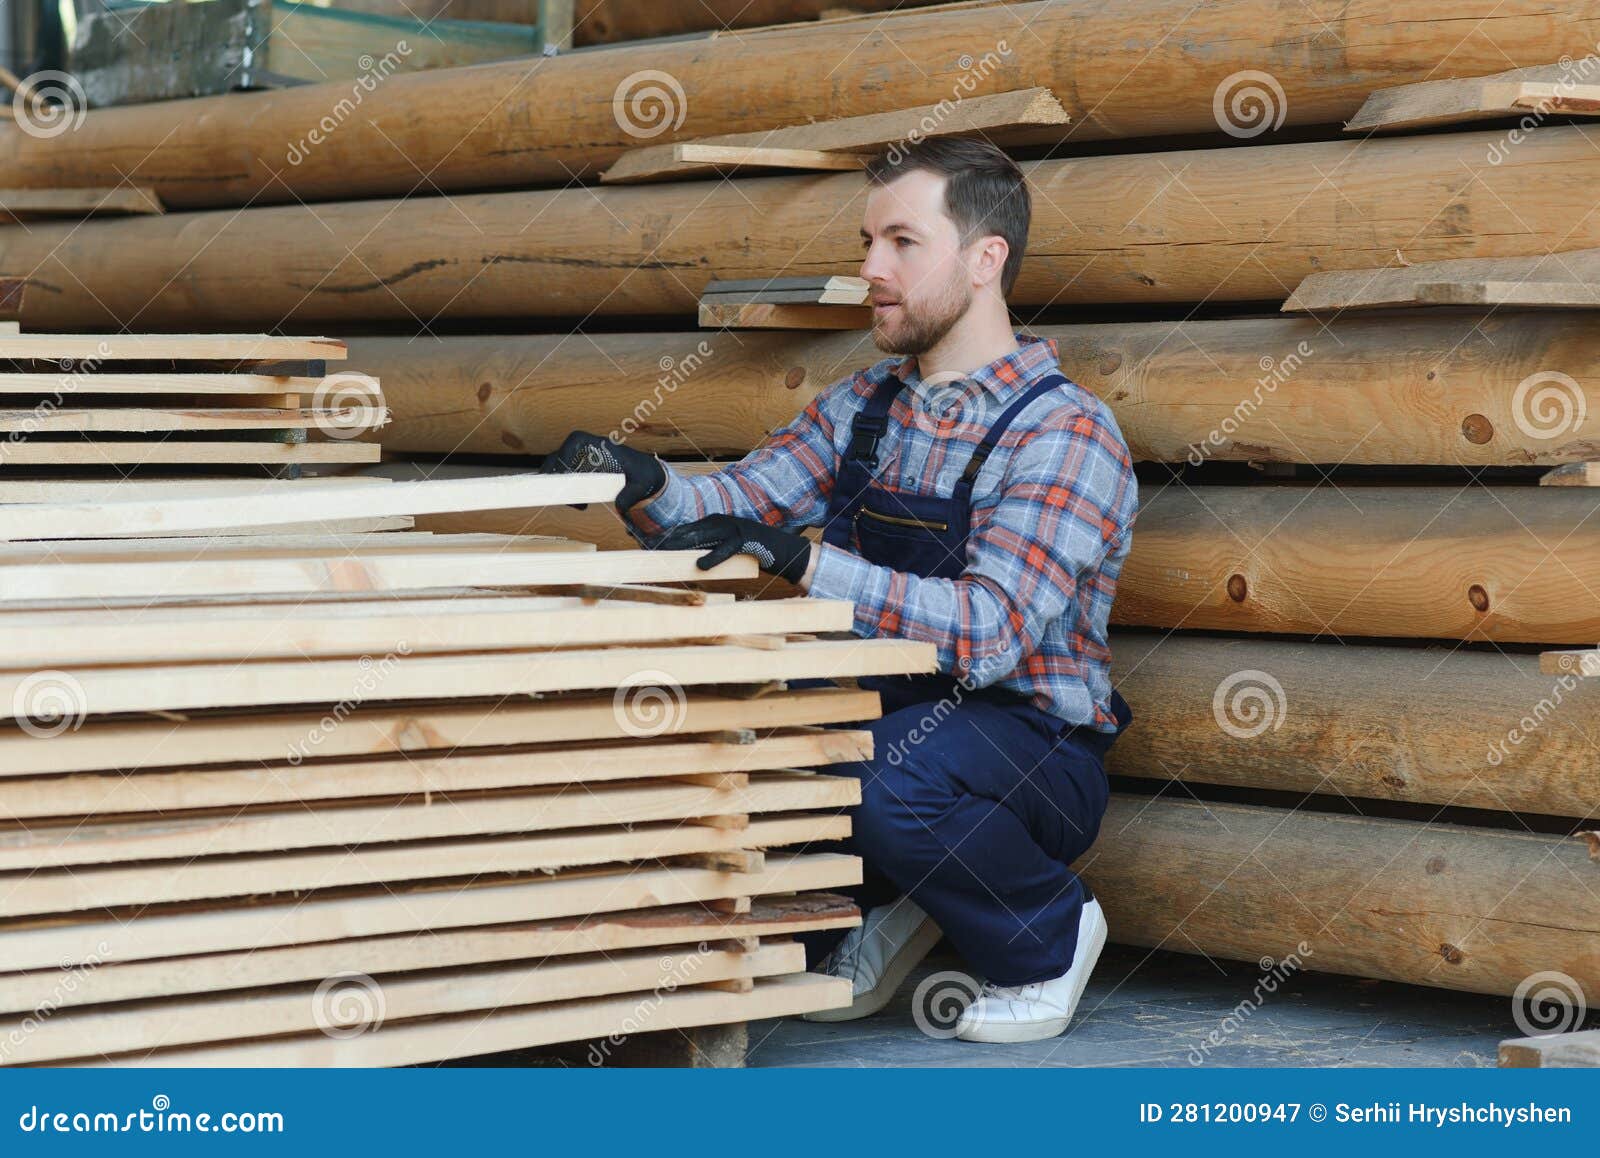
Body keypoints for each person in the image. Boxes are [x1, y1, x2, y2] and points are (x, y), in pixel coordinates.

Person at [539, 136, 1138, 1043]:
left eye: (901, 243)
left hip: (1032, 751)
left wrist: (807, 562)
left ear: (985, 260)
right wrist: (643, 480)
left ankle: (1046, 937)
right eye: (867, 243)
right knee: (758, 733)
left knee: (884, 774)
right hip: (889, 716)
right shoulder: (869, 403)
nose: (870, 269)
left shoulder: (1064, 433)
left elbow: (989, 632)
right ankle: (894, 902)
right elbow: (747, 502)